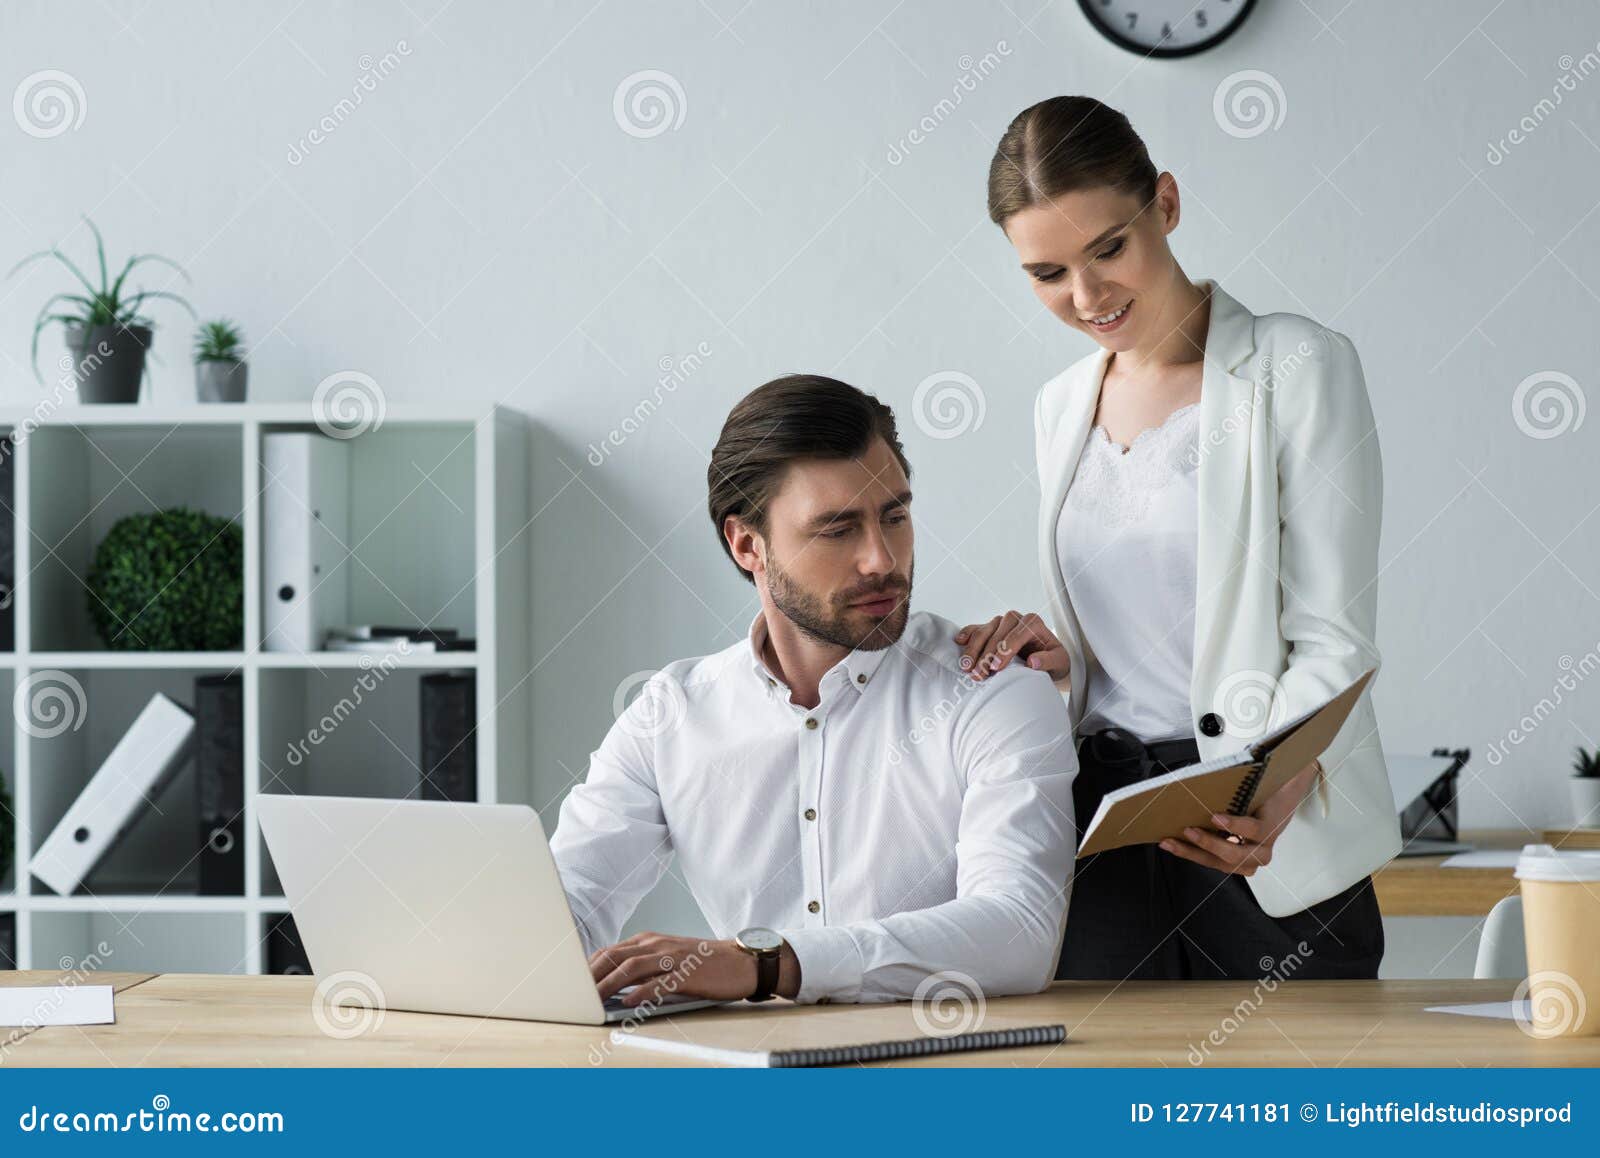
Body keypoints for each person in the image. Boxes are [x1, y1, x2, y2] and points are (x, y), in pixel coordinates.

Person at [955, 96, 1399, 981]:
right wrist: (1061, 660)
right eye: (1046, 273)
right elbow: (1129, 647)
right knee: (1094, 1113)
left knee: (1287, 1111)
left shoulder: (1296, 367)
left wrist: (1277, 779)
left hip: (1252, 823)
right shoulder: (1059, 407)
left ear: (1165, 203)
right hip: (1101, 832)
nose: (1086, 297)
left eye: (1108, 248)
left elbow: (1332, 632)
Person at [550, 374, 1077, 1008]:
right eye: (837, 530)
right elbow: (559, 913)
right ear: (748, 545)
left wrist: (764, 965)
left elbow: (1018, 930)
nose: (881, 559)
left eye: (896, 516)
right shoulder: (671, 715)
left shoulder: (994, 692)